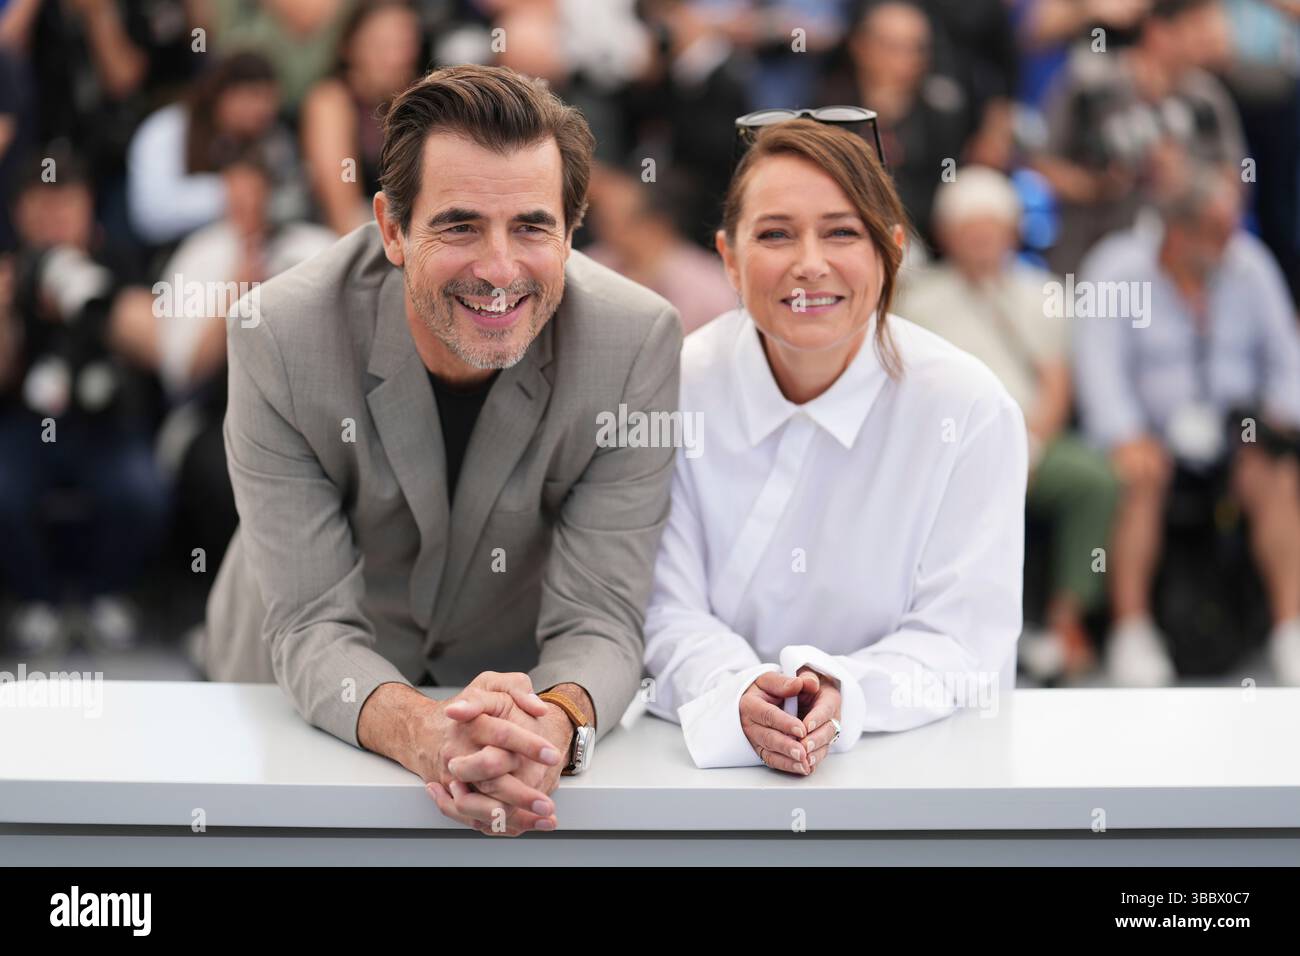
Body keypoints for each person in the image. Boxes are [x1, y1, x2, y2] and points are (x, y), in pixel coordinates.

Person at [201, 65, 682, 834]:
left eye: (532, 225)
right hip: (305, 693)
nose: (498, 269)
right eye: (459, 225)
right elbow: (312, 624)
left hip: (506, 697)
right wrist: (425, 733)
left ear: (573, 225)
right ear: (391, 228)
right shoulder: (279, 335)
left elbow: (602, 614)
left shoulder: (635, 342)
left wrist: (551, 725)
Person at [642, 118, 1027, 771]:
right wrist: (739, 692)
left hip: (915, 767)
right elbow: (660, 610)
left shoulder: (968, 409)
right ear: (729, 258)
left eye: (843, 232)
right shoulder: (672, 389)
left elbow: (964, 640)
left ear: (893, 251)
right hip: (696, 767)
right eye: (775, 234)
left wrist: (843, 694)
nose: (810, 263)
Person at [1074, 166, 1300, 685]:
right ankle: (1132, 630)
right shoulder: (1116, 267)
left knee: (1276, 475)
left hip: (1236, 432)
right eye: (1216, 231)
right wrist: (1126, 434)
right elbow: (1099, 366)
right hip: (1148, 433)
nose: (1229, 243)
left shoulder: (1251, 266)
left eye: (1231, 229)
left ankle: (1290, 628)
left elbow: (1287, 359)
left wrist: (1278, 420)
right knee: (1140, 476)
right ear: (1178, 229)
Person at [898, 166, 1119, 680]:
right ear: (948, 235)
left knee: (1096, 479)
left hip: (1034, 442)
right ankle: (944, 631)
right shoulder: (918, 298)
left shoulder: (1041, 291)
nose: (980, 239)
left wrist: (1031, 446)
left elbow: (1057, 382)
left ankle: (1067, 622)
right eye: (969, 229)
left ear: (1012, 231)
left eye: (991, 227)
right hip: (948, 451)